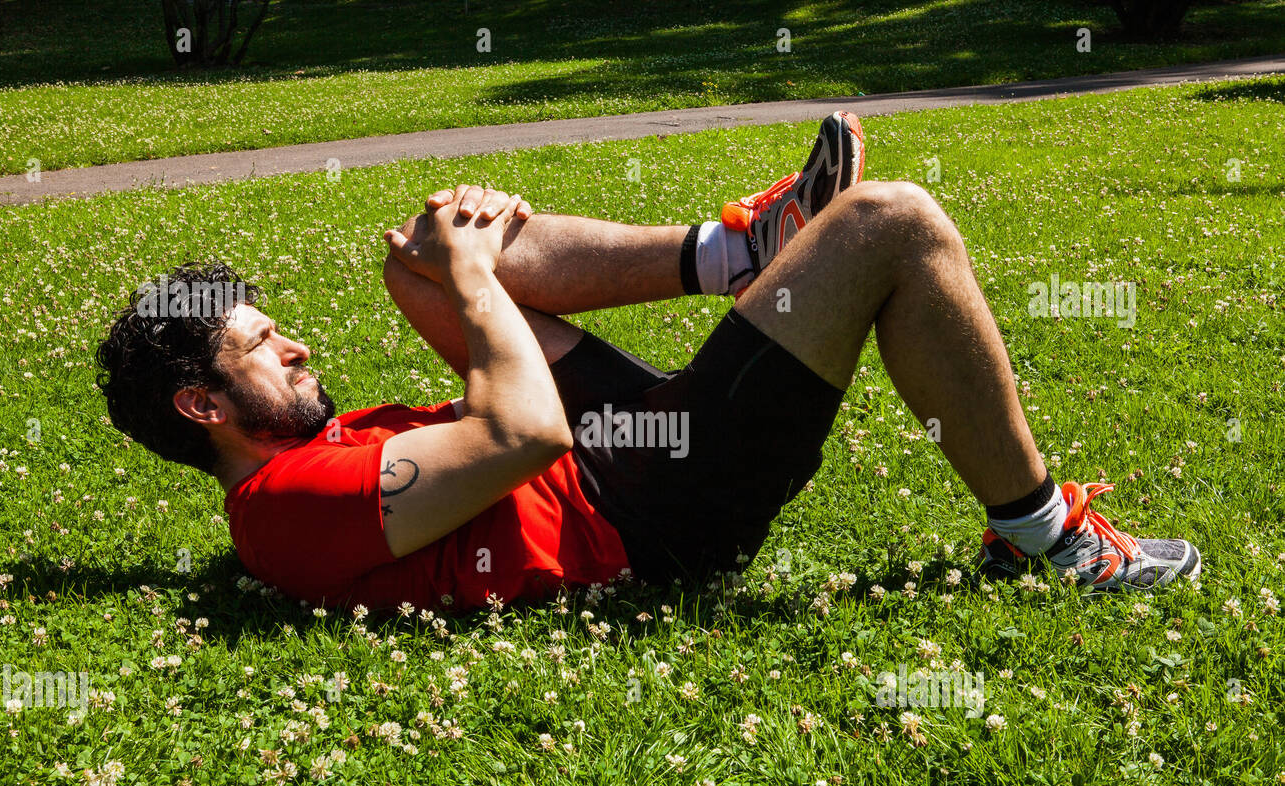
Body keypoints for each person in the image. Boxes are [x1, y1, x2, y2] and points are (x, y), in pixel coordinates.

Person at [96, 113, 1198, 614]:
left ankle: (737, 252)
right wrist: (482, 282)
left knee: (416, 258)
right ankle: (1047, 539)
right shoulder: (282, 506)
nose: (294, 344)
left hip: (613, 464)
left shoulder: (300, 469)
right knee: (891, 223)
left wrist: (458, 260)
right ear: (202, 404)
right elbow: (525, 433)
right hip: (645, 516)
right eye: (259, 344)